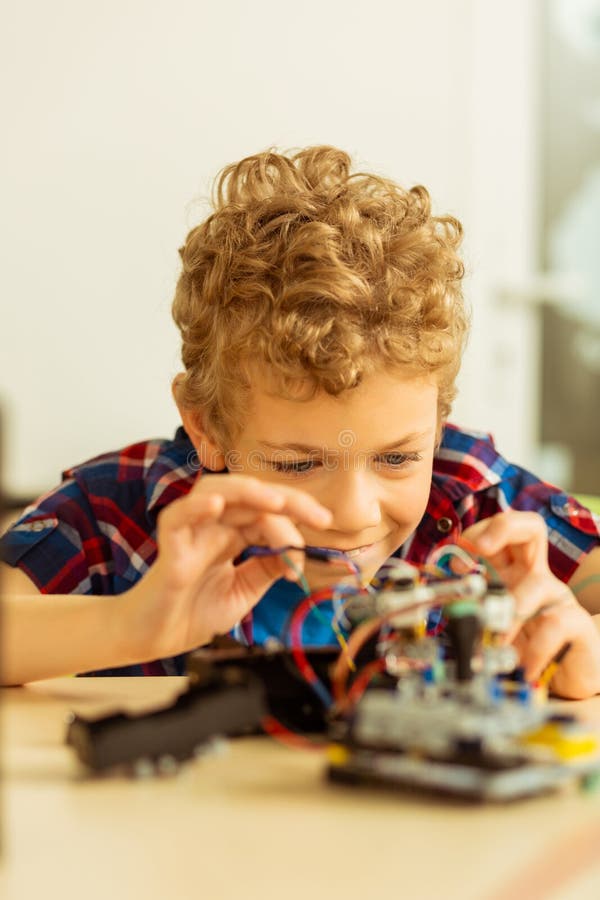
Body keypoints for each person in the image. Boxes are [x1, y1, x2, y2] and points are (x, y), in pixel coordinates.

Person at [1, 146, 600, 696]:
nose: (353, 514)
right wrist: (130, 624)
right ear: (206, 426)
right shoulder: (113, 514)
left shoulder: (477, 499)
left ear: (439, 420)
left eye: (397, 458)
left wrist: (586, 646)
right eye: (298, 464)